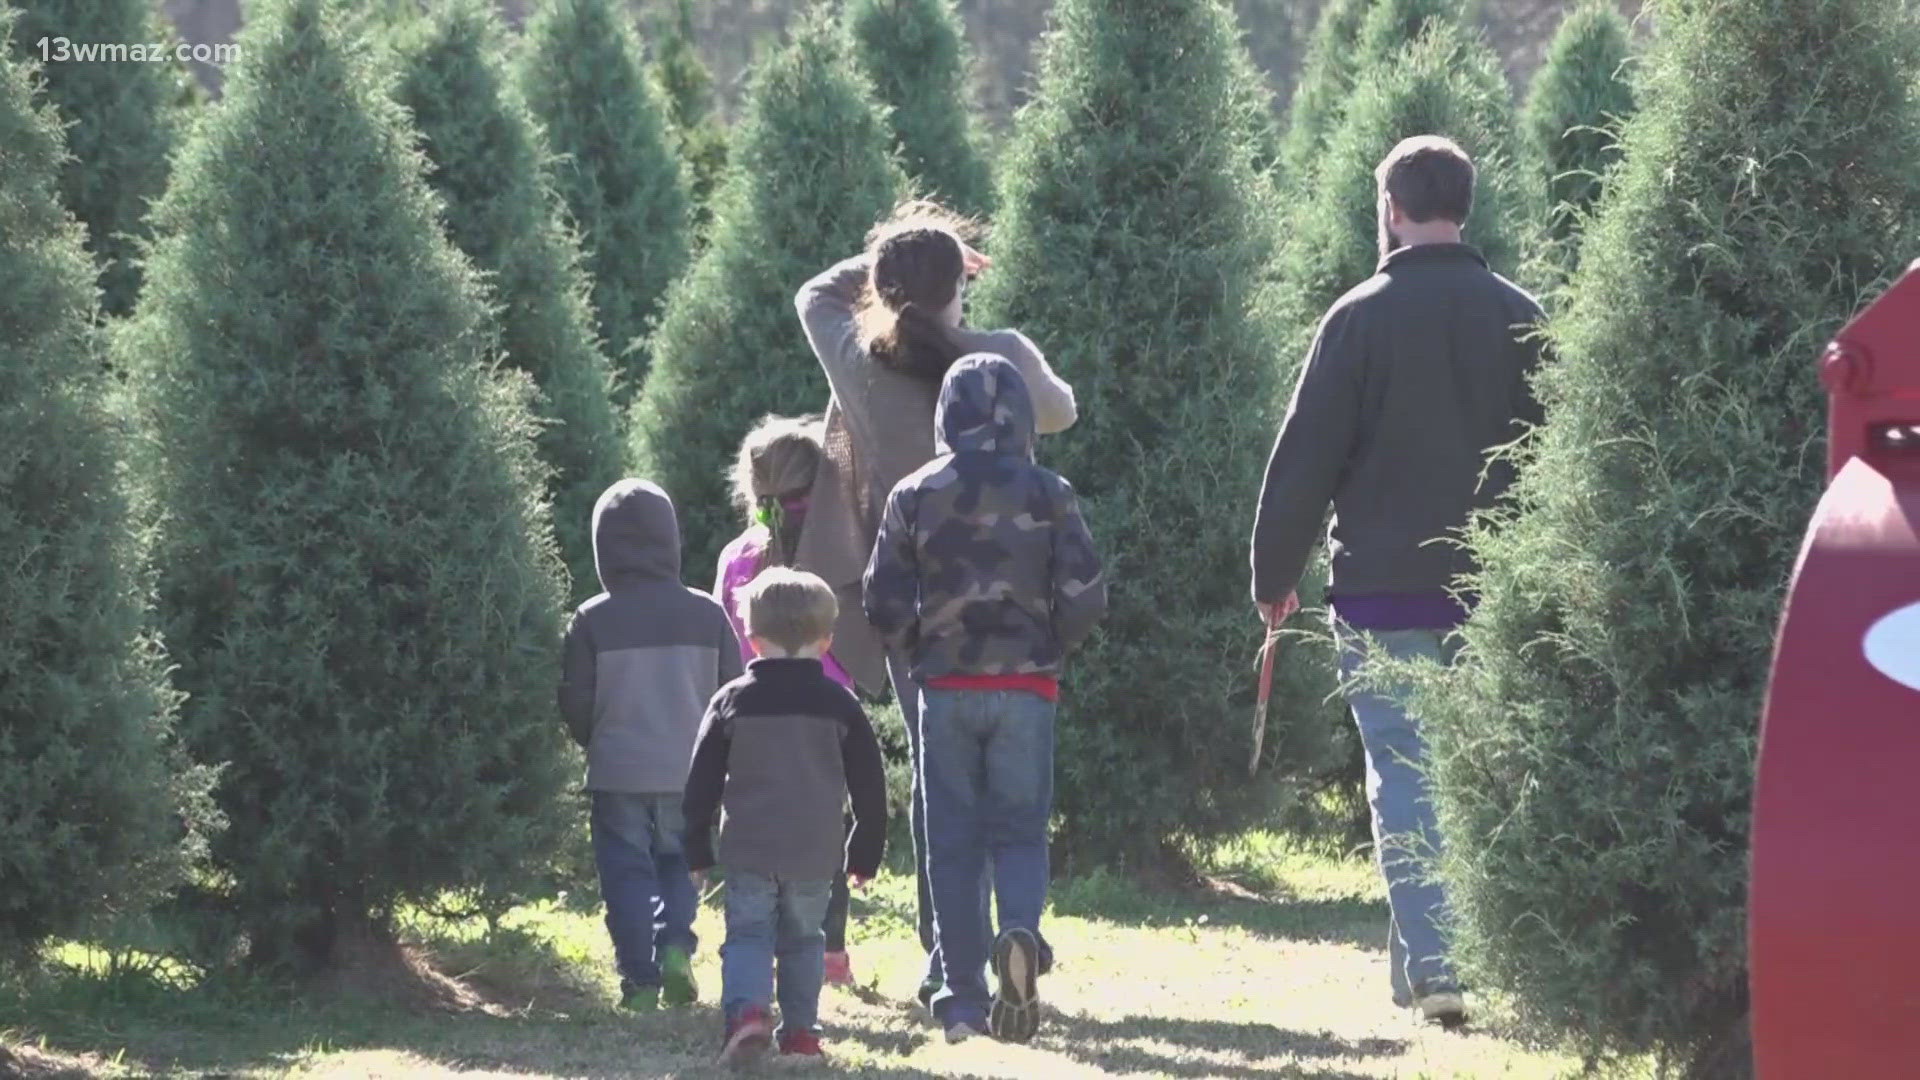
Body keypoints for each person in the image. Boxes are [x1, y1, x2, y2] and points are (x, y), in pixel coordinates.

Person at [1248, 135, 1546, 1028]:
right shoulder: (1522, 314)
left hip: (1380, 589)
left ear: (1388, 209)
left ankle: (1442, 968)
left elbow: (1305, 460)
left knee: (1406, 778)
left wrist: (1274, 574)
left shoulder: (1358, 317)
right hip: (1494, 593)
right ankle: (1420, 968)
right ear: (1467, 205)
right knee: (1467, 778)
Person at [793, 199, 1078, 1008]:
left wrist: (884, 262)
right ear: (962, 284)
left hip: (919, 614)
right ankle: (1011, 933)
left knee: (940, 786)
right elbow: (1062, 411)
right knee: (1011, 794)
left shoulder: (860, 361)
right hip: (1018, 617)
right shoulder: (1004, 358)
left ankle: (943, 962)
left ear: (883, 291)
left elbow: (814, 294)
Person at [864, 355, 1107, 1044]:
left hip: (943, 688)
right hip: (1028, 689)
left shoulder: (914, 494)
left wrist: (918, 650)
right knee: (1021, 831)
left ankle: (963, 996)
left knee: (952, 842)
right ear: (1025, 417)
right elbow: (1088, 597)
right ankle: (1021, 935)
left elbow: (881, 600)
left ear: (946, 415)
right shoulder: (1051, 492)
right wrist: (1051, 648)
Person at [682, 568, 889, 1065]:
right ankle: (800, 1034)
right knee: (804, 940)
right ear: (826, 641)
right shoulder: (841, 705)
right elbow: (870, 786)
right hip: (816, 851)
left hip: (750, 848)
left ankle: (749, 1012)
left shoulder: (731, 701)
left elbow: (701, 783)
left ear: (750, 638)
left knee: (749, 933)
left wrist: (695, 847)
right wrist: (865, 851)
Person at [559, 479, 744, 1012]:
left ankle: (639, 979)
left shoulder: (592, 618)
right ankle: (677, 948)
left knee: (626, 874)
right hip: (690, 775)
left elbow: (575, 699)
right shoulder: (709, 614)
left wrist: (597, 742)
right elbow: (731, 692)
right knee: (681, 866)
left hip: (618, 773)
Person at [714, 415, 860, 986]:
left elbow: (731, 637)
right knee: (827, 832)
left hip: (753, 715)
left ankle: (758, 944)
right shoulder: (839, 557)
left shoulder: (737, 559)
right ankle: (829, 956)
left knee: (756, 828)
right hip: (829, 713)